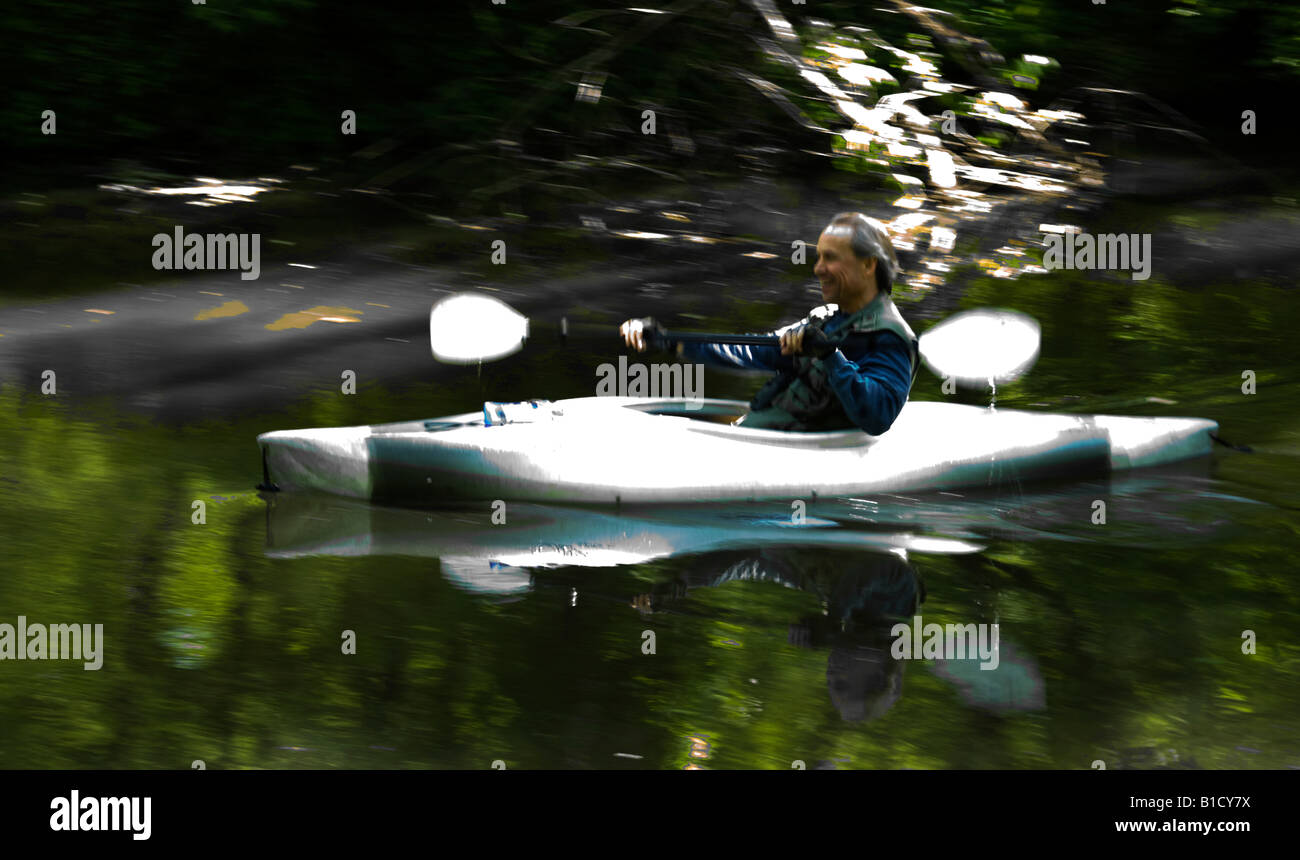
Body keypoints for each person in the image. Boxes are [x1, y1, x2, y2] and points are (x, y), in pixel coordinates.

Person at [620, 212, 919, 433]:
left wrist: (830, 356)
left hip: (804, 451)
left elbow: (878, 416)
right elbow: (753, 350)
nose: (818, 269)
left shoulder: (890, 336)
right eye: (818, 257)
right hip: (764, 433)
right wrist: (667, 339)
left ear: (868, 265)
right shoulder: (826, 319)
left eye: (830, 258)